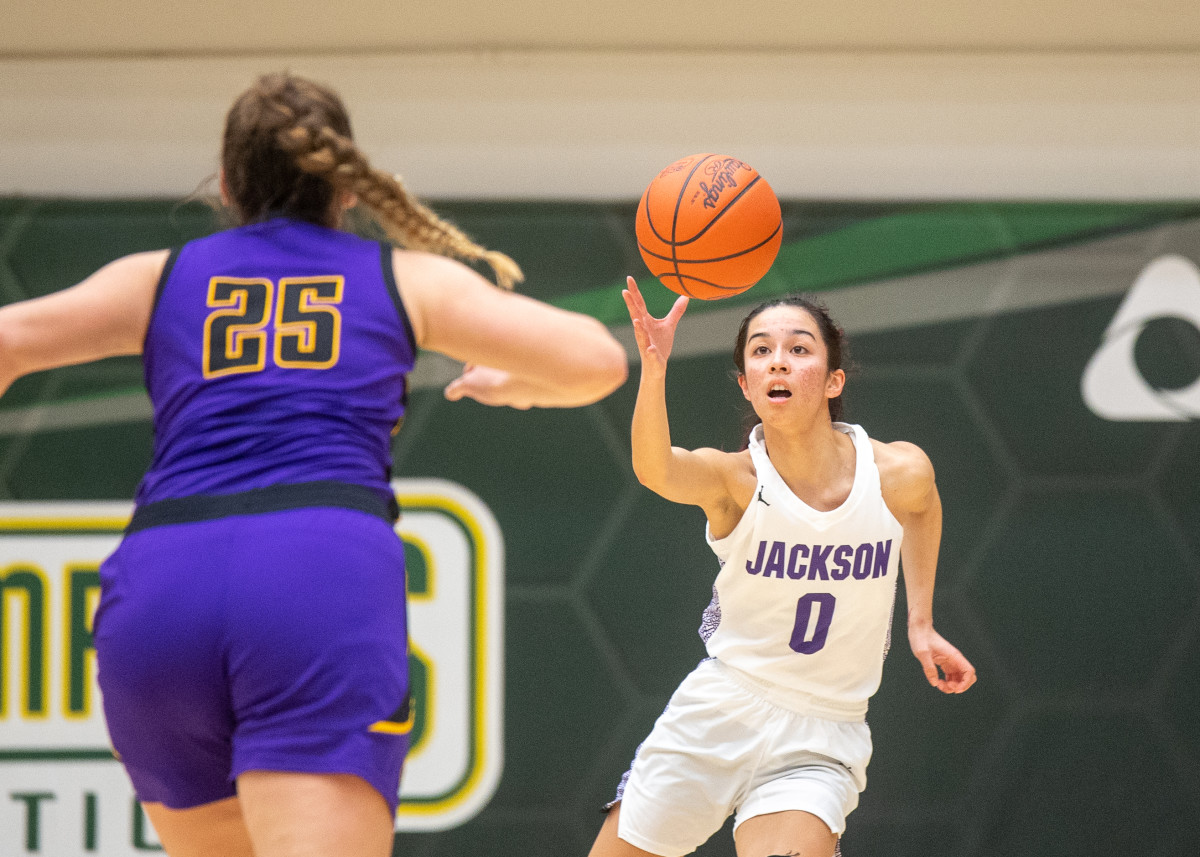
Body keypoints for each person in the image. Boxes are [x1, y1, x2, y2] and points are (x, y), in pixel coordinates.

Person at [0, 72, 627, 857]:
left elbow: (8, 340)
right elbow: (596, 360)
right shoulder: (402, 278)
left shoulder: (156, 278)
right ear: (347, 189)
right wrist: (517, 387)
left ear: (227, 186)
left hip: (161, 587)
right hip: (313, 575)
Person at [589, 279, 976, 857]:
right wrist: (654, 367)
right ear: (747, 385)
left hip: (823, 731)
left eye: (799, 349)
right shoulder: (735, 480)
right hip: (721, 709)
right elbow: (656, 470)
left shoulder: (897, 472)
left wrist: (920, 622)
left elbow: (923, 511)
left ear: (833, 379)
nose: (780, 362)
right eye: (762, 351)